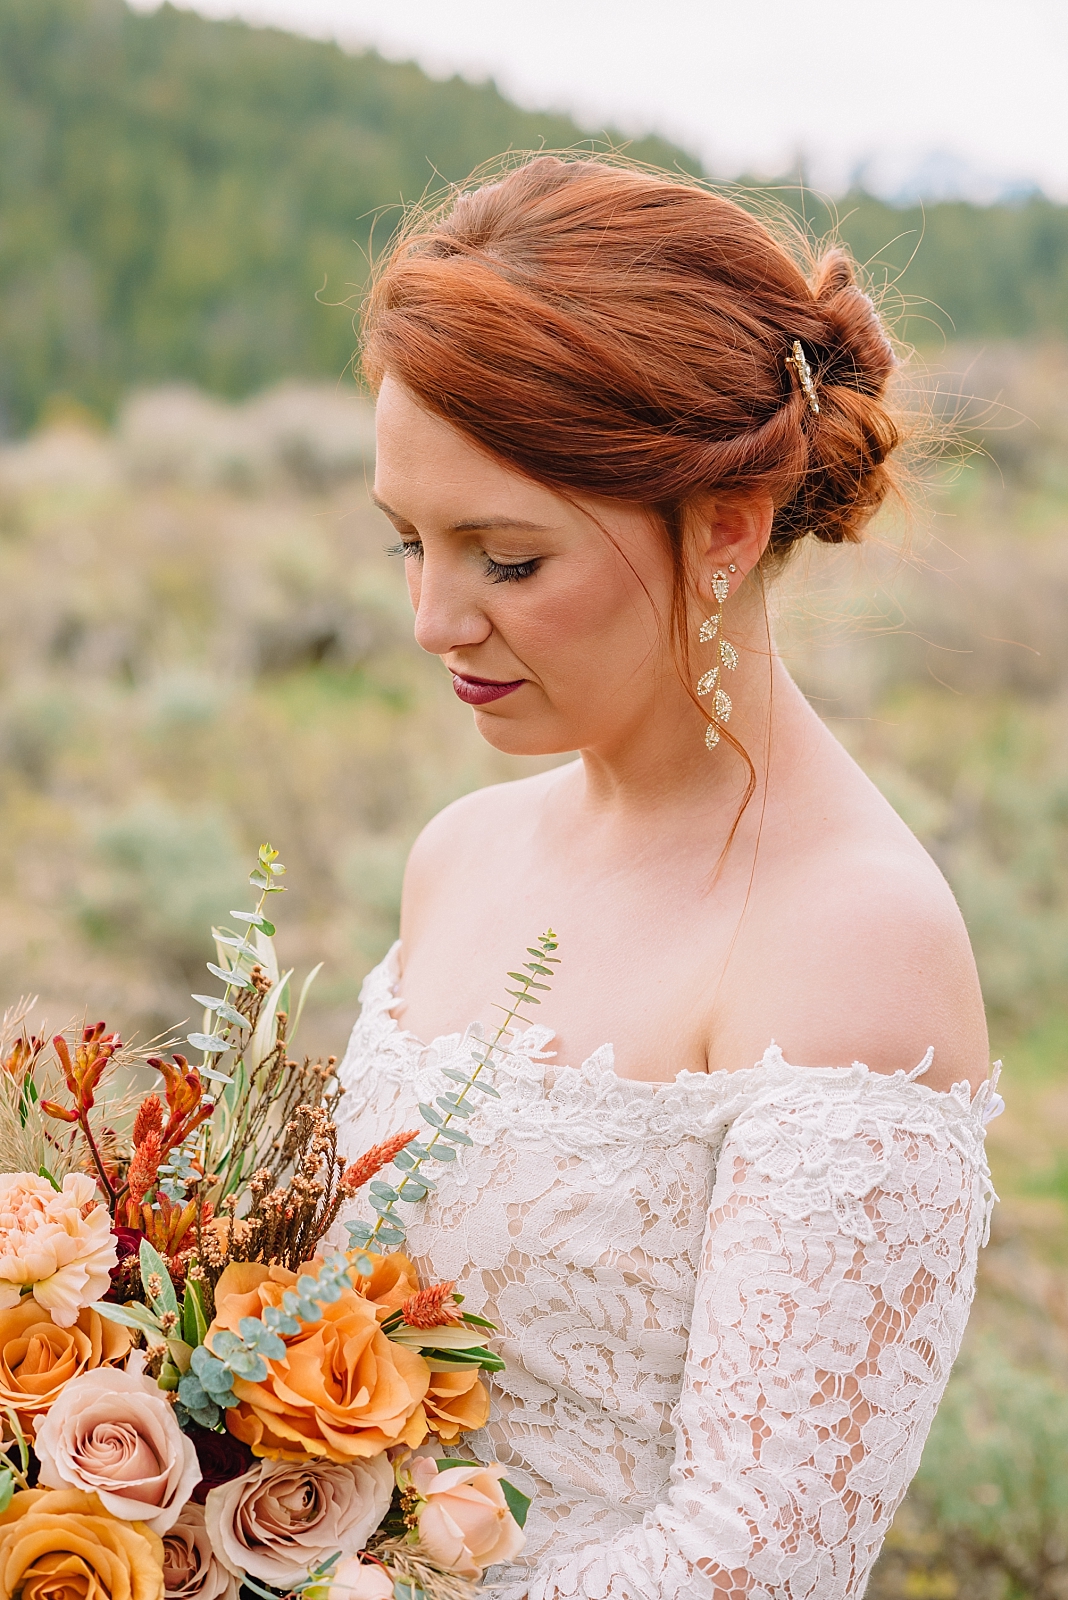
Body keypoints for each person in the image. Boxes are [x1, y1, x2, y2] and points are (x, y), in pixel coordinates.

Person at [335, 155, 999, 1600]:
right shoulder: (458, 859)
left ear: (729, 526)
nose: (433, 618)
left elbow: (752, 1566)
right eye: (410, 539)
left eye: (506, 558)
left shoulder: (852, 946)